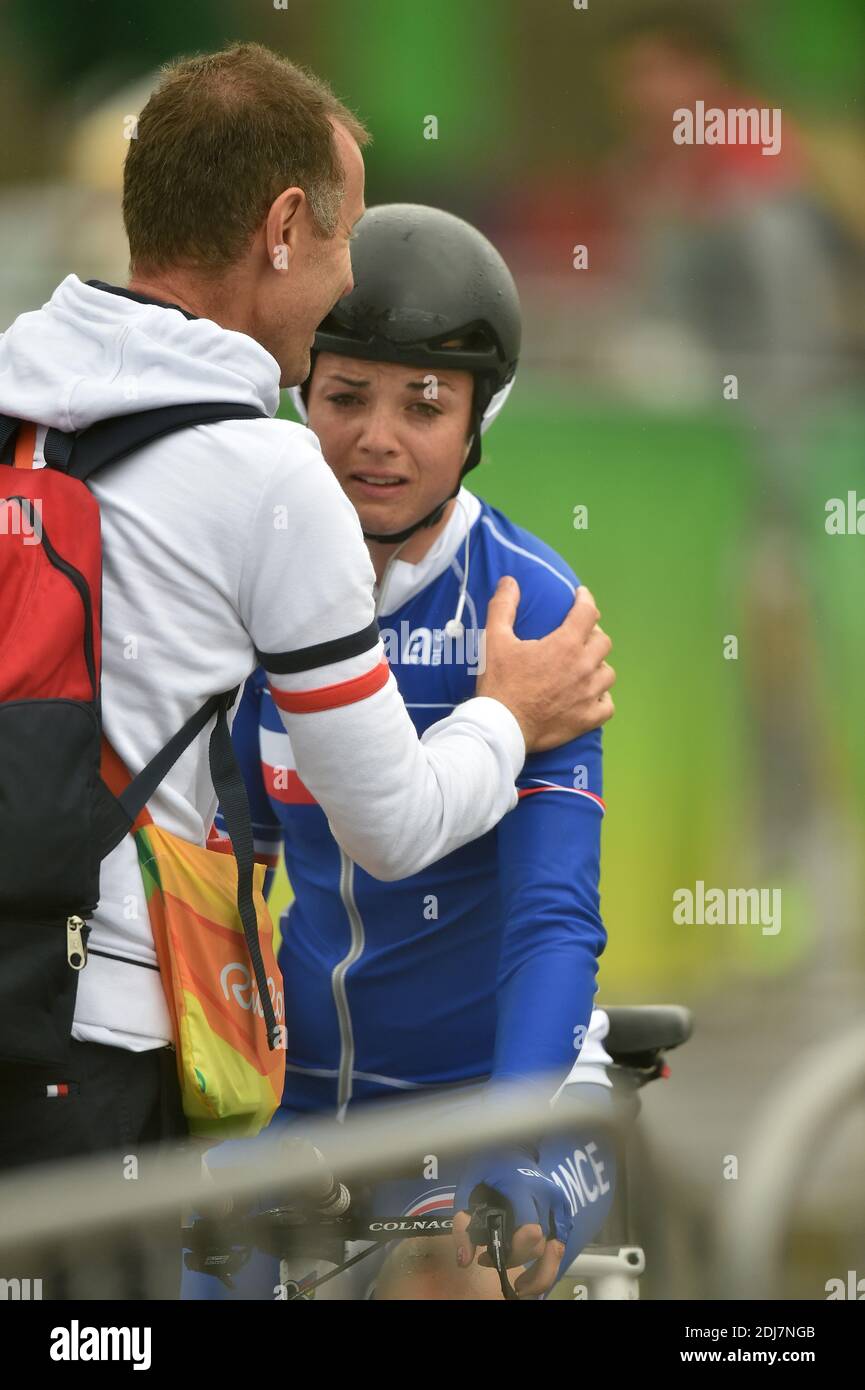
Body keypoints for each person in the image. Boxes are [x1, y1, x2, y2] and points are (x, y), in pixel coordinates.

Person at [0, 43, 613, 1204]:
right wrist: (509, 712)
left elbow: (550, 921)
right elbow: (391, 824)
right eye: (340, 240)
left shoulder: (19, 385)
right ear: (283, 228)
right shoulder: (268, 478)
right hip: (121, 1036)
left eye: (425, 403)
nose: (345, 280)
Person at [191, 204, 617, 1301]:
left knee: (450, 1276)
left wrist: (510, 1140)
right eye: (345, 396)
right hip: (304, 1097)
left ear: (480, 420)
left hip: (495, 1087)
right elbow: (215, 881)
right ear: (302, 395)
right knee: (197, 1275)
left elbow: (552, 919)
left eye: (424, 403)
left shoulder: (529, 608)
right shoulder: (248, 589)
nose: (377, 435)